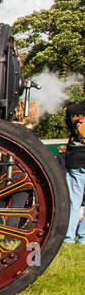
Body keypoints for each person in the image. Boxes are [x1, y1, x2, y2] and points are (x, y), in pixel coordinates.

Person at [62, 98, 85, 244]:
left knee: (74, 201)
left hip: (76, 156)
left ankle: (69, 236)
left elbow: (70, 127)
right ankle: (83, 238)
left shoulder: (72, 109)